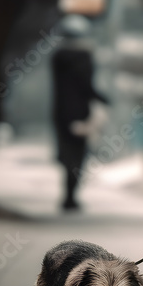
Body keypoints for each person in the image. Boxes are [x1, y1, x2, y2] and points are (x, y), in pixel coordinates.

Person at [52, 14, 107, 211]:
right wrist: (103, 98)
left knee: (67, 156)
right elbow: (85, 86)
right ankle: (70, 198)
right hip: (80, 114)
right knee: (77, 157)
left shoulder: (57, 57)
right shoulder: (84, 57)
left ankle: (68, 197)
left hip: (61, 113)